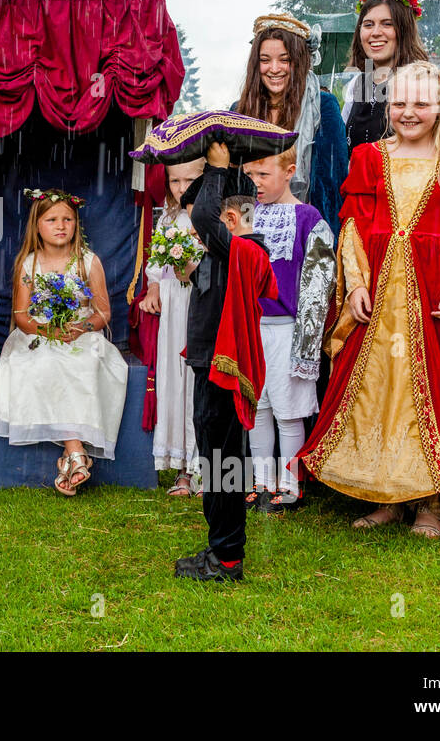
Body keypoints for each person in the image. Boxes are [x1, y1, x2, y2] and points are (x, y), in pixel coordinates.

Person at [300, 62, 440, 537]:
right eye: (399, 103)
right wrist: (356, 283)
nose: (408, 112)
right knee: (381, 393)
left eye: (421, 103)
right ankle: (384, 496)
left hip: (433, 295)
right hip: (379, 298)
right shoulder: (368, 158)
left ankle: (429, 501)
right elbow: (355, 224)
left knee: (435, 397)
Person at [0, 189, 127, 495]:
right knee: (43, 363)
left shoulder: (88, 261)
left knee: (82, 363)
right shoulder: (29, 264)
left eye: (68, 219)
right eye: (52, 219)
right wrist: (47, 332)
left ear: (76, 224)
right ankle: (76, 452)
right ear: (37, 225)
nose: (61, 225)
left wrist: (81, 327)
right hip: (38, 335)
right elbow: (20, 315)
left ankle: (72, 459)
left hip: (80, 336)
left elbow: (103, 311)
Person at [173, 144, 276, 582]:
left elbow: (200, 218)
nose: (201, 231)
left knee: (224, 462)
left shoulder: (245, 251)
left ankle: (228, 558)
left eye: (211, 222)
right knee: (216, 460)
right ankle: (221, 548)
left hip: (224, 372)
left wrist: (216, 170)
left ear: (229, 221)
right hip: (209, 367)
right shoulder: (227, 253)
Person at [243, 148, 334, 512]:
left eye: (263, 175)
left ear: (289, 171)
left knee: (288, 410)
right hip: (253, 326)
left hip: (288, 327)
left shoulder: (308, 217)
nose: (256, 184)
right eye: (251, 176)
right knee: (258, 406)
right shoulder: (247, 214)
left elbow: (318, 282)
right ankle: (262, 483)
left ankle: (291, 485)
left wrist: (306, 342)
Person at [233, 12, 349, 234]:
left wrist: (323, 241)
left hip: (304, 229)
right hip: (250, 231)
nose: (274, 68)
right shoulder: (239, 111)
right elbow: (234, 184)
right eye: (265, 60)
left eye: (284, 60)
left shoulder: (323, 107)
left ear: (299, 61)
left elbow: (332, 183)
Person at [138, 157, 205, 495]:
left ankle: (203, 468)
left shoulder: (210, 214)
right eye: (175, 181)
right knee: (175, 380)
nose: (181, 189)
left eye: (189, 181)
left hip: (200, 303)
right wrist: (153, 287)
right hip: (173, 307)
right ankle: (181, 468)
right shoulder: (166, 217)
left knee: (198, 384)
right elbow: (155, 261)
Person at [341, 0, 429, 152]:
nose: (375, 33)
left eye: (387, 24)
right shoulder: (356, 85)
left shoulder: (425, 83)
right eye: (368, 25)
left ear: (404, 30)